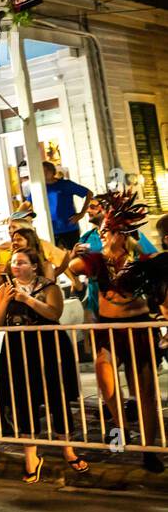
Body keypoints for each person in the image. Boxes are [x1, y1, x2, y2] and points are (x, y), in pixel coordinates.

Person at [67, 191, 168, 473]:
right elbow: (69, 266)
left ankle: (149, 450)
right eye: (104, 230)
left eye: (111, 231)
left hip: (137, 329)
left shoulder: (143, 257)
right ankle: (119, 431)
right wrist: (74, 261)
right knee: (106, 382)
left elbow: (162, 283)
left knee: (146, 390)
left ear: (123, 233)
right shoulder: (97, 259)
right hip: (107, 328)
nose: (105, 235)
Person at [0, 249, 88, 482]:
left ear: (34, 266)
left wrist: (27, 300)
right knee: (24, 400)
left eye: (22, 262)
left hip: (49, 347)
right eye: (13, 262)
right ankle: (31, 457)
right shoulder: (4, 288)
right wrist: (5, 300)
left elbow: (54, 313)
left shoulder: (48, 286)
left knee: (58, 397)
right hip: (18, 348)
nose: (16, 266)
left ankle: (68, 450)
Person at [30, 162, 91, 249]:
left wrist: (81, 214)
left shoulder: (66, 184)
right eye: (42, 171)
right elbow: (27, 204)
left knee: (75, 253)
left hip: (69, 228)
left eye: (47, 170)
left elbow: (89, 193)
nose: (45, 173)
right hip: (49, 230)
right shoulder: (39, 188)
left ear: (53, 171)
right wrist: (16, 216)